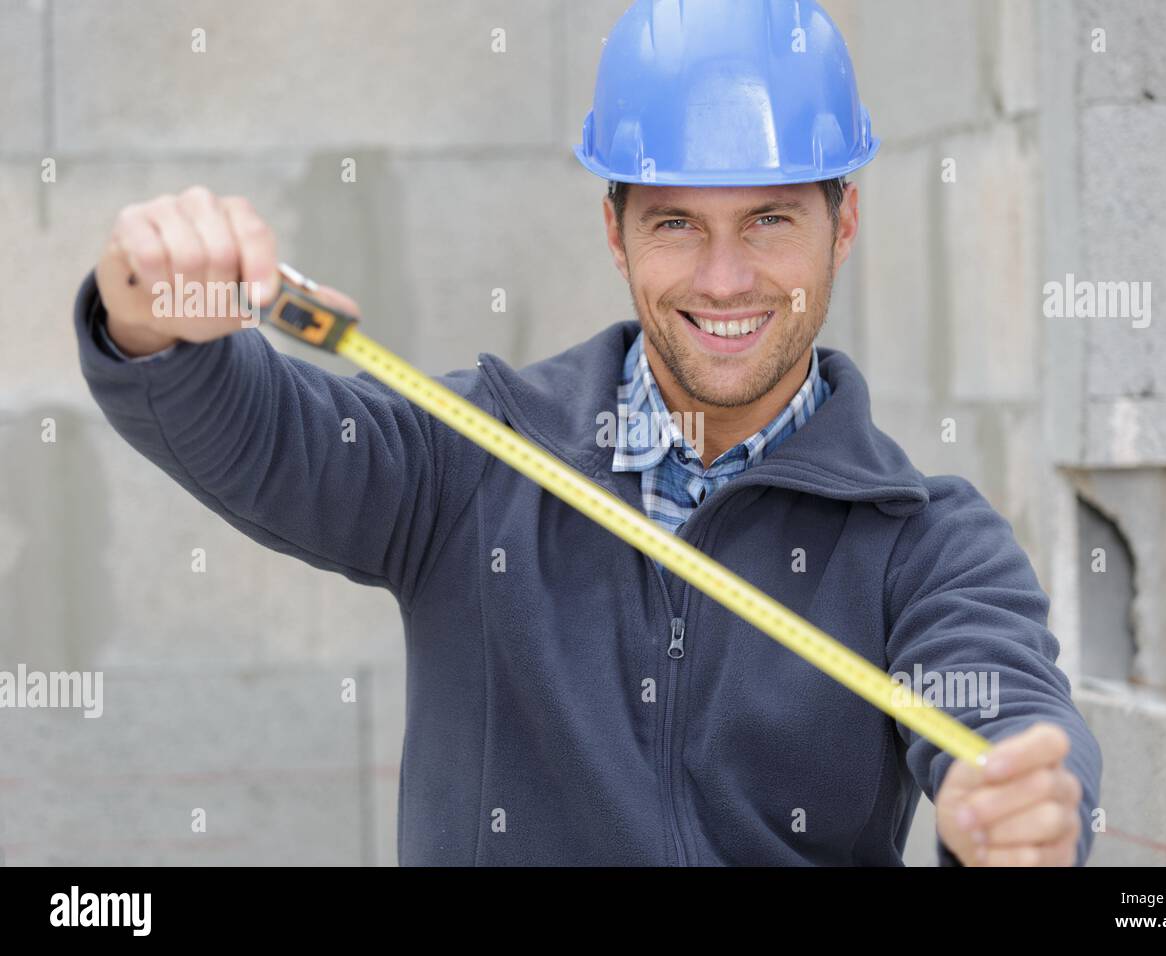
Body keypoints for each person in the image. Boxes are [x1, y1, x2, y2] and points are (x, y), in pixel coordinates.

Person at [74, 0, 1100, 865]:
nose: (724, 277)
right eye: (676, 223)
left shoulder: (925, 541)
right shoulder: (470, 456)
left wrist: (1015, 808)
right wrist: (149, 312)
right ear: (614, 233)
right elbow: (264, 432)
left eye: (770, 219)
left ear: (846, 222)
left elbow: (1004, 704)